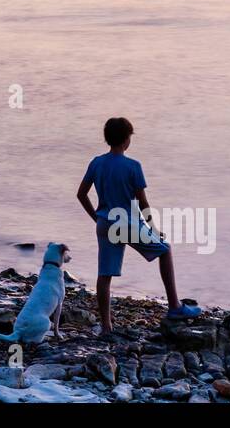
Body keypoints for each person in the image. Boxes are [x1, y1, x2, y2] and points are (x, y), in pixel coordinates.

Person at [76, 117, 201, 332]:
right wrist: (153, 228)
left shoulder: (96, 163)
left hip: (105, 223)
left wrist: (97, 218)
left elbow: (81, 194)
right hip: (127, 223)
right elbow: (143, 203)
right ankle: (174, 306)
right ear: (127, 140)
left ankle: (106, 326)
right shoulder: (133, 166)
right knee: (165, 250)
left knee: (104, 275)